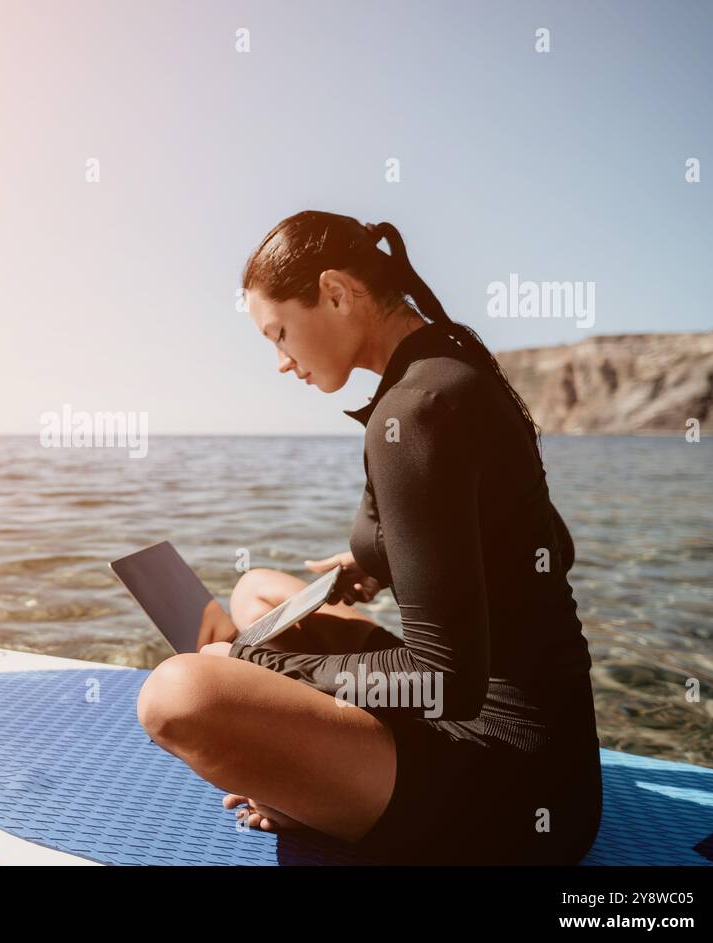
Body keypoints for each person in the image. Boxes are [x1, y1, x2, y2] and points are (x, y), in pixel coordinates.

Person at [134, 211, 603, 864]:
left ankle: (307, 781)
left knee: (177, 696)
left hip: (515, 792)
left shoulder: (412, 413)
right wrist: (379, 558)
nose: (279, 361)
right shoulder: (449, 363)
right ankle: (305, 751)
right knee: (258, 592)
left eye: (279, 334)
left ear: (335, 292)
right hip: (549, 749)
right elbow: (552, 544)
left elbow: (445, 685)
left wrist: (262, 669)